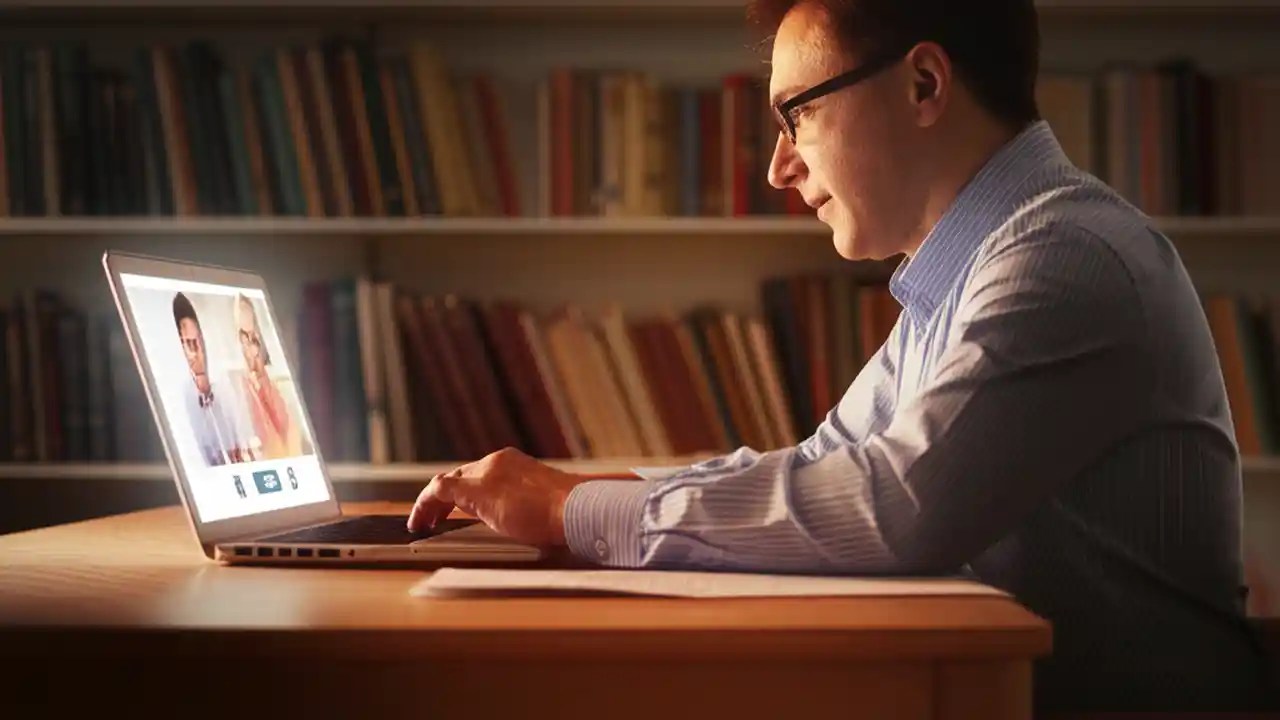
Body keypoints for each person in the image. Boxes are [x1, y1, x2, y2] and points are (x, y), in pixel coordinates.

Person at [407, 0, 1274, 711]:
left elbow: (893, 503)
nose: (780, 167)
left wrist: (571, 512)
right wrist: (576, 497)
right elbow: (827, 464)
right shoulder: (973, 269)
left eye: (799, 113)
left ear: (925, 83)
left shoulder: (1064, 257)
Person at [173, 292, 252, 467]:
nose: (195, 352)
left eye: (197, 342)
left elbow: (243, 441)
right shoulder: (185, 397)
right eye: (188, 343)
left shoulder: (223, 387)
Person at [232, 294, 304, 460]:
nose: (251, 346)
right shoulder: (241, 388)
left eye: (253, 337)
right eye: (245, 338)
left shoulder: (279, 382)